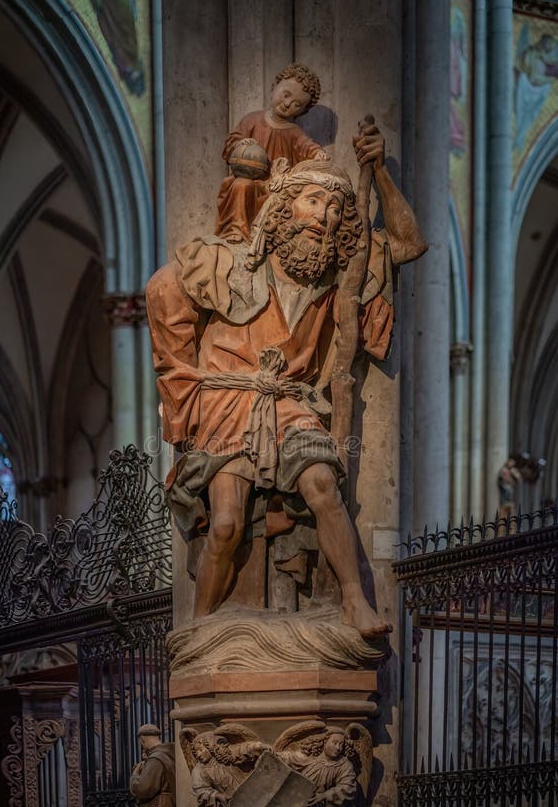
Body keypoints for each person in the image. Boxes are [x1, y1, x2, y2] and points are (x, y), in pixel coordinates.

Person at [146, 124, 426, 639]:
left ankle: (354, 603)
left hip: (290, 403)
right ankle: (200, 629)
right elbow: (162, 291)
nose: (324, 216)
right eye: (313, 201)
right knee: (226, 524)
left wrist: (380, 171)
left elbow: (409, 241)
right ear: (284, 205)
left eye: (336, 208)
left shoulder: (338, 274)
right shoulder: (232, 259)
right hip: (227, 401)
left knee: (322, 483)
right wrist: (180, 384)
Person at [215, 62, 329, 243]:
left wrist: (317, 153)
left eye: (296, 104)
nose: (287, 104)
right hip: (249, 180)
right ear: (274, 87)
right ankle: (236, 228)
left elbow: (307, 147)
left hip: (276, 187)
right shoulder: (252, 120)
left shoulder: (294, 132)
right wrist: (240, 144)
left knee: (286, 201)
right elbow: (231, 143)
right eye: (286, 95)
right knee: (240, 186)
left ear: (303, 111)